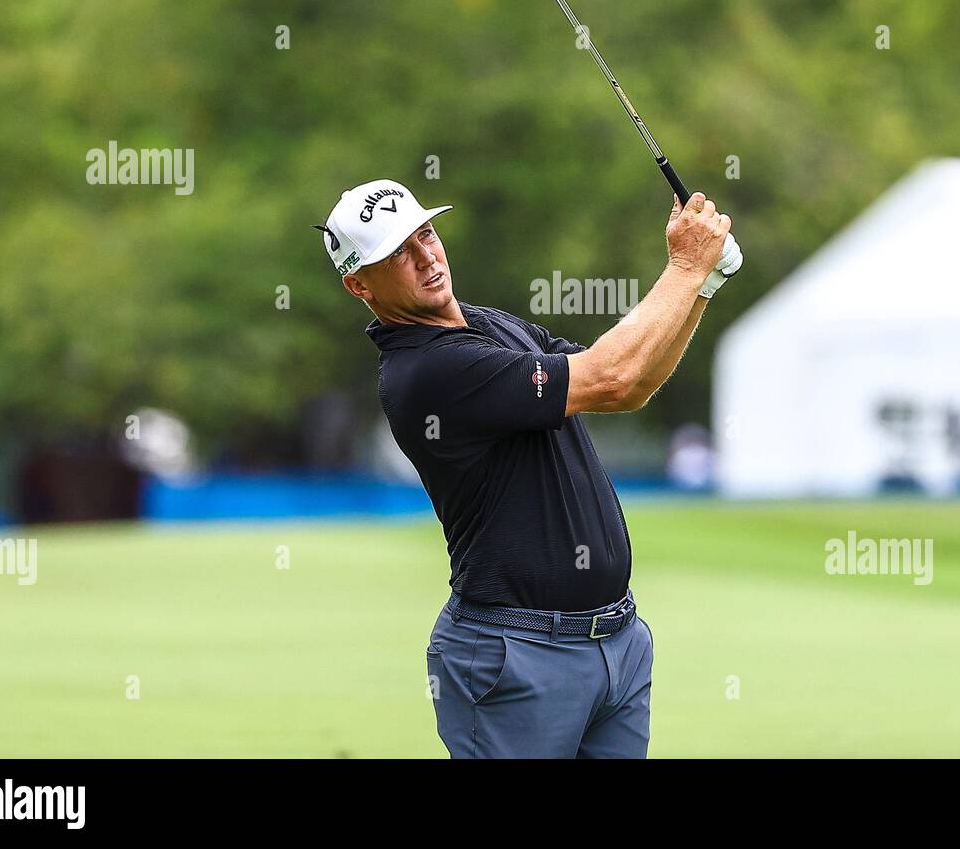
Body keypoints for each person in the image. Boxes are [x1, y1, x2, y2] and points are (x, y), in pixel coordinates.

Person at [314, 178, 743, 758]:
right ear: (359, 284)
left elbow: (631, 385)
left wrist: (702, 285)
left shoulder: (487, 326)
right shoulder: (427, 371)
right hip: (516, 652)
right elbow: (608, 377)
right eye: (397, 254)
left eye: (426, 235)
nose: (426, 258)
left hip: (616, 641)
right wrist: (685, 271)